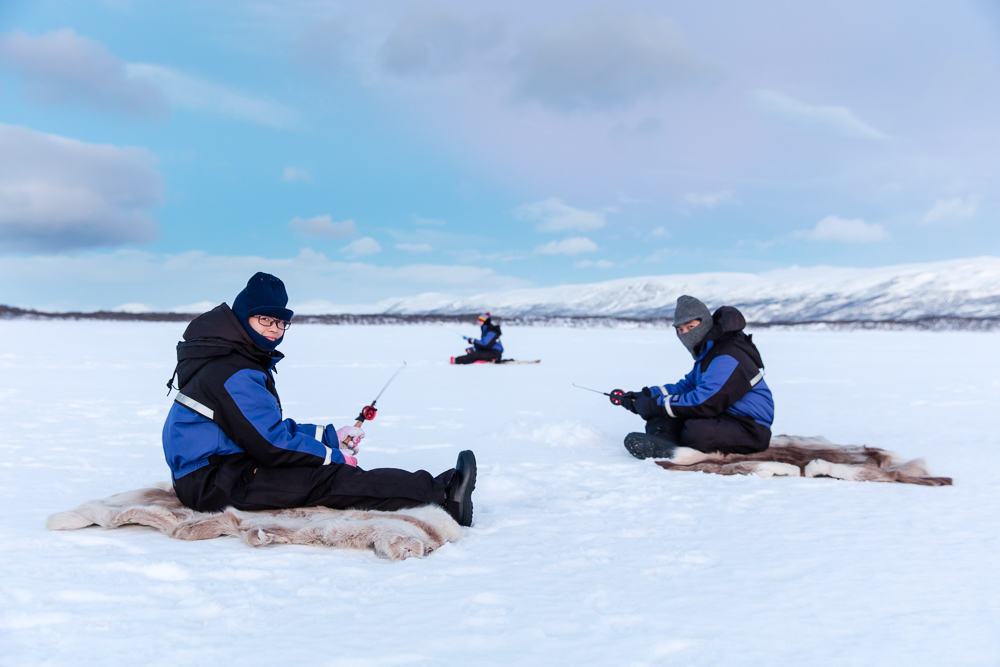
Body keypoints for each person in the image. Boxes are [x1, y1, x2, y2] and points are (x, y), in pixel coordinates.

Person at [162, 272, 476, 526]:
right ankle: (446, 496)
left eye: (281, 322)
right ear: (244, 319)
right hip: (213, 481)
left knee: (326, 474)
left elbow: (262, 428)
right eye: (265, 321)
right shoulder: (233, 370)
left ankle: (437, 491)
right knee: (330, 480)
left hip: (220, 467)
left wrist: (328, 437)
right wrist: (332, 457)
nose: (274, 330)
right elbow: (270, 446)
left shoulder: (235, 358)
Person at [619, 295, 774, 460]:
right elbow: (687, 386)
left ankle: (674, 443)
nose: (685, 333)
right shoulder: (709, 353)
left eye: (690, 326)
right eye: (680, 329)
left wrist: (655, 405)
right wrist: (647, 395)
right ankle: (663, 441)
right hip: (723, 415)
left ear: (705, 323)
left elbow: (706, 401)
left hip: (750, 427)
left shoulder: (728, 355)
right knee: (663, 413)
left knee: (695, 431)